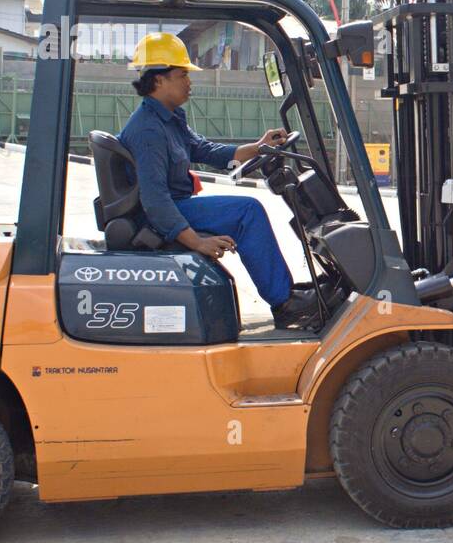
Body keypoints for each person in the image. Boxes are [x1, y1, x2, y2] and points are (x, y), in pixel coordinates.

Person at [118, 32, 319, 328]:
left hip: (176, 205)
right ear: (159, 80)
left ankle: (285, 292)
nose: (189, 82)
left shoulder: (169, 119)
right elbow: (156, 200)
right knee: (247, 211)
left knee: (247, 209)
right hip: (164, 212)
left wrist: (259, 146)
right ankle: (285, 303)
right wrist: (196, 242)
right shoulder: (148, 131)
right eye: (182, 75)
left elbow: (206, 150)